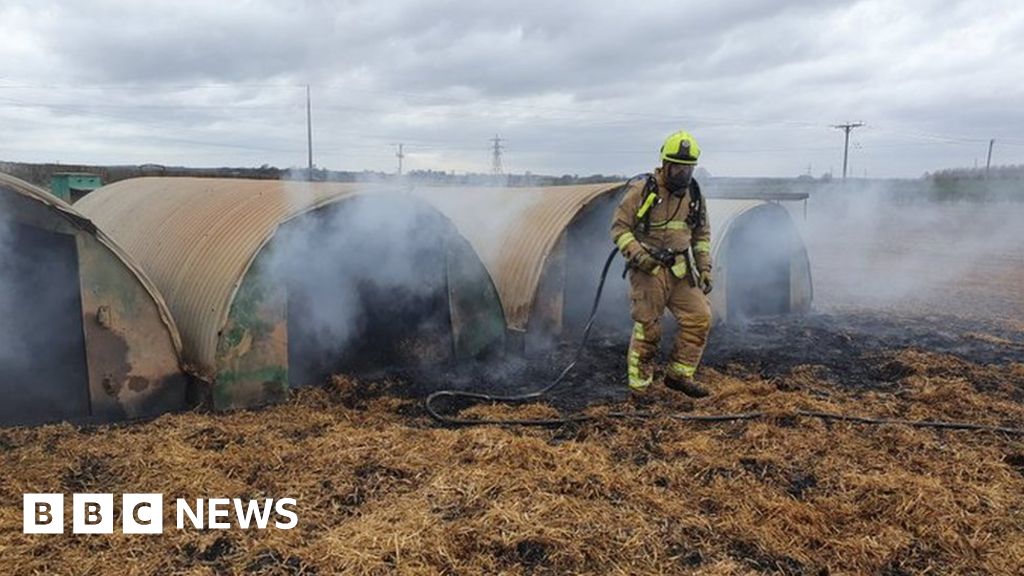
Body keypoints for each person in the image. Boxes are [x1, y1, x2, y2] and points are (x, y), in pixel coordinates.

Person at [610, 130, 713, 397]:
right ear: (665, 164)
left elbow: (701, 236)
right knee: (649, 329)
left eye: (688, 168)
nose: (683, 173)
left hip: (681, 270)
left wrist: (704, 269)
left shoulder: (694, 194)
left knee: (699, 319)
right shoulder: (642, 191)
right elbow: (620, 229)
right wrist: (638, 255)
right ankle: (640, 390)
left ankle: (679, 375)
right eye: (677, 167)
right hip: (649, 269)